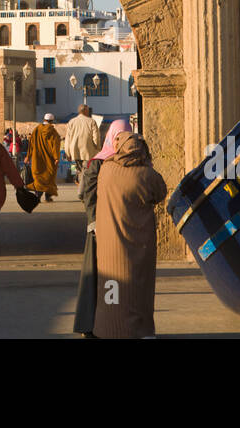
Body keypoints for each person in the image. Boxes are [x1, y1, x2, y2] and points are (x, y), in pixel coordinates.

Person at [94, 131, 168, 339]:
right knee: (138, 287)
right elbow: (161, 192)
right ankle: (139, 330)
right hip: (138, 242)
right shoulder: (147, 175)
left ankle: (107, 328)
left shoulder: (106, 170)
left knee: (112, 287)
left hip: (109, 244)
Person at [72, 118, 130, 337]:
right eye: (119, 137)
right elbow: (88, 194)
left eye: (127, 137)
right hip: (99, 230)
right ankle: (90, 325)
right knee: (95, 277)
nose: (122, 142)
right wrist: (95, 222)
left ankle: (115, 324)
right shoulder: (98, 162)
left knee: (118, 278)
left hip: (122, 229)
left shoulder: (130, 160)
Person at [27, 113, 62, 202]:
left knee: (38, 177)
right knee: (49, 178)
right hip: (49, 160)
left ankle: (37, 196)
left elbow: (31, 144)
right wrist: (56, 157)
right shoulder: (53, 132)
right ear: (52, 121)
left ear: (44, 120)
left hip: (37, 158)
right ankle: (47, 196)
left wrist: (28, 156)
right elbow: (56, 146)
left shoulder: (36, 130)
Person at [64, 105, 102, 184]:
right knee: (86, 171)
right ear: (86, 111)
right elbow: (96, 138)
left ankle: (80, 185)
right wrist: (98, 149)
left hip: (75, 152)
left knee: (78, 170)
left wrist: (67, 153)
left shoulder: (72, 122)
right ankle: (82, 190)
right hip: (88, 152)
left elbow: (68, 139)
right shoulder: (91, 121)